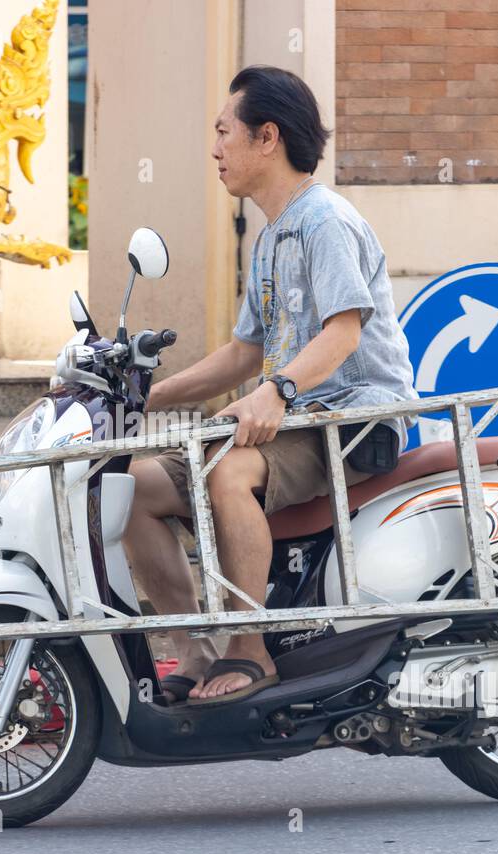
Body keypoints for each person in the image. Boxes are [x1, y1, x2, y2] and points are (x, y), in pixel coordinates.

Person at [124, 65, 417, 705]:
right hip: (295, 420)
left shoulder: (325, 221)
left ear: (268, 138)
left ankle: (250, 649)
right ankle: (196, 651)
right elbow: (242, 353)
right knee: (135, 487)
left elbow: (342, 333)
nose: (215, 148)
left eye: (225, 132)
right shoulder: (270, 235)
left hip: (350, 420)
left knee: (229, 473)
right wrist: (147, 395)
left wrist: (276, 392)